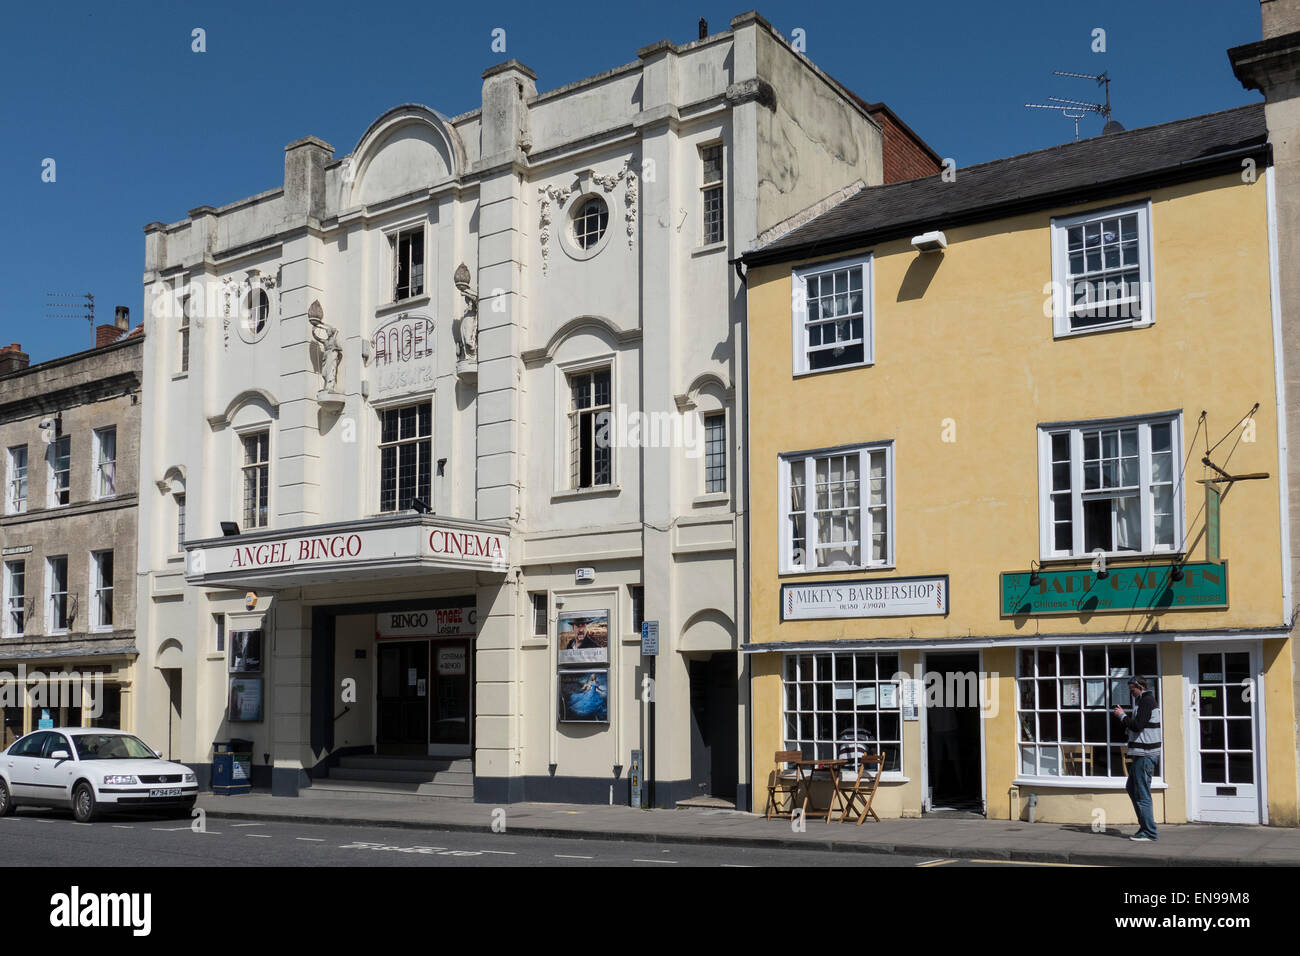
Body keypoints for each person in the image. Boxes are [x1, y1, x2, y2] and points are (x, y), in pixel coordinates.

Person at [1113, 676, 1161, 842]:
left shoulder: (1146, 701)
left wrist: (1122, 716)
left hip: (1145, 754)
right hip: (1142, 753)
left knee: (1141, 793)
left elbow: (1137, 725)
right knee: (1132, 788)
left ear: (1140, 686)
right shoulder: (1142, 701)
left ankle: (1149, 832)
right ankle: (1145, 828)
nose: (1130, 693)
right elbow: (1140, 726)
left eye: (1132, 689)